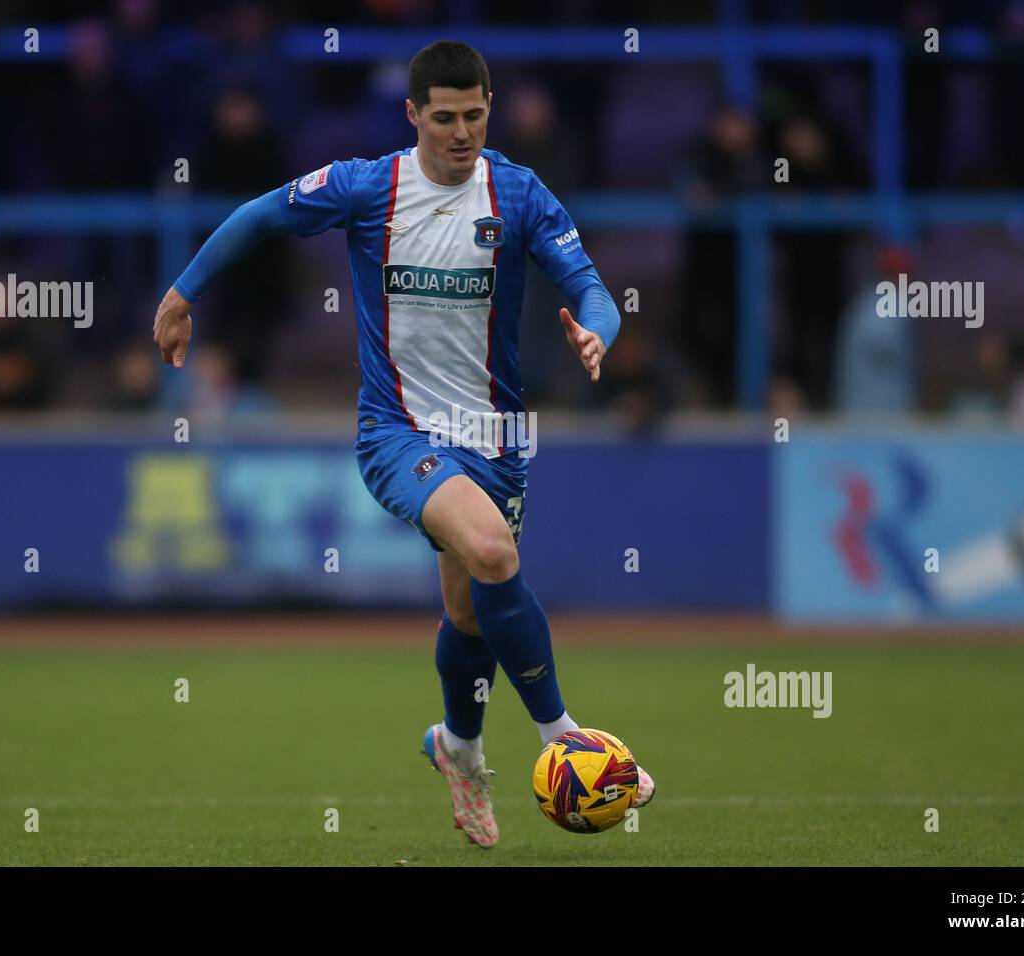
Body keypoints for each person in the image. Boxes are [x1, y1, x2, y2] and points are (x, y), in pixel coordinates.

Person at [152, 39, 653, 847]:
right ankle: (564, 735)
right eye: (446, 118)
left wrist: (597, 334)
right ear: (413, 114)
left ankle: (456, 743)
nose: (462, 133)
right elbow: (259, 215)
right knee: (492, 552)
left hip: (495, 439)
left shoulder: (519, 195)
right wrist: (181, 294)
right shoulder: (367, 185)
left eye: (476, 116)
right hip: (399, 431)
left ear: (490, 108)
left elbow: (590, 287)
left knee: (469, 612)